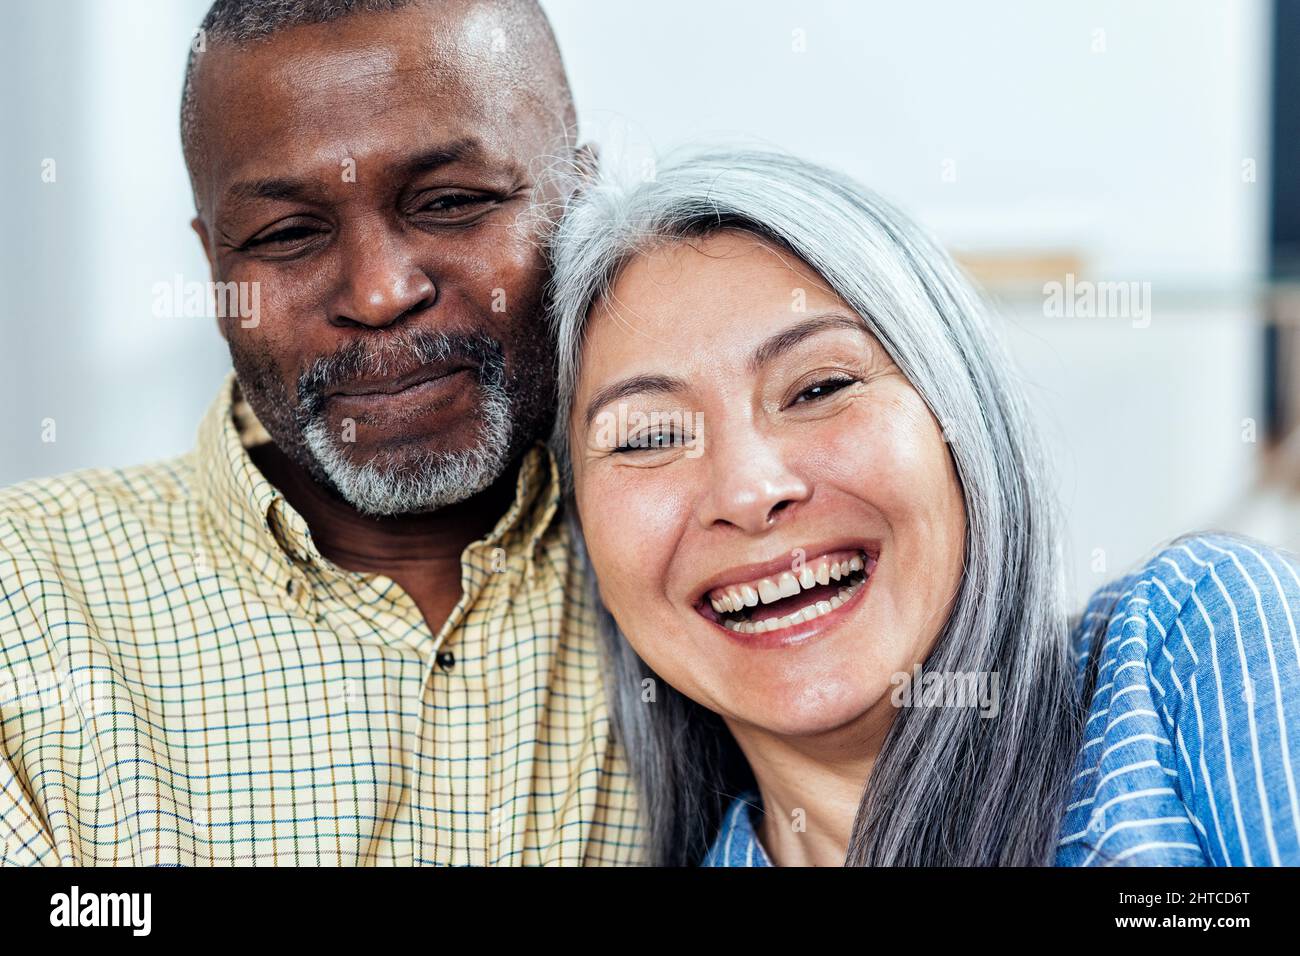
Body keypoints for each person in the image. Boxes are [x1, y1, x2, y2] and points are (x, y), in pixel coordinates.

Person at [0, 0, 643, 866]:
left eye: (451, 202)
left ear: (581, 198)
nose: (379, 293)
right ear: (214, 267)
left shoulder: (711, 545)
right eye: (289, 235)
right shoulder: (23, 603)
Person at [546, 148, 1300, 866]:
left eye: (819, 388)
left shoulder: (1190, 646)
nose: (748, 491)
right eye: (647, 437)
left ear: (959, 421)